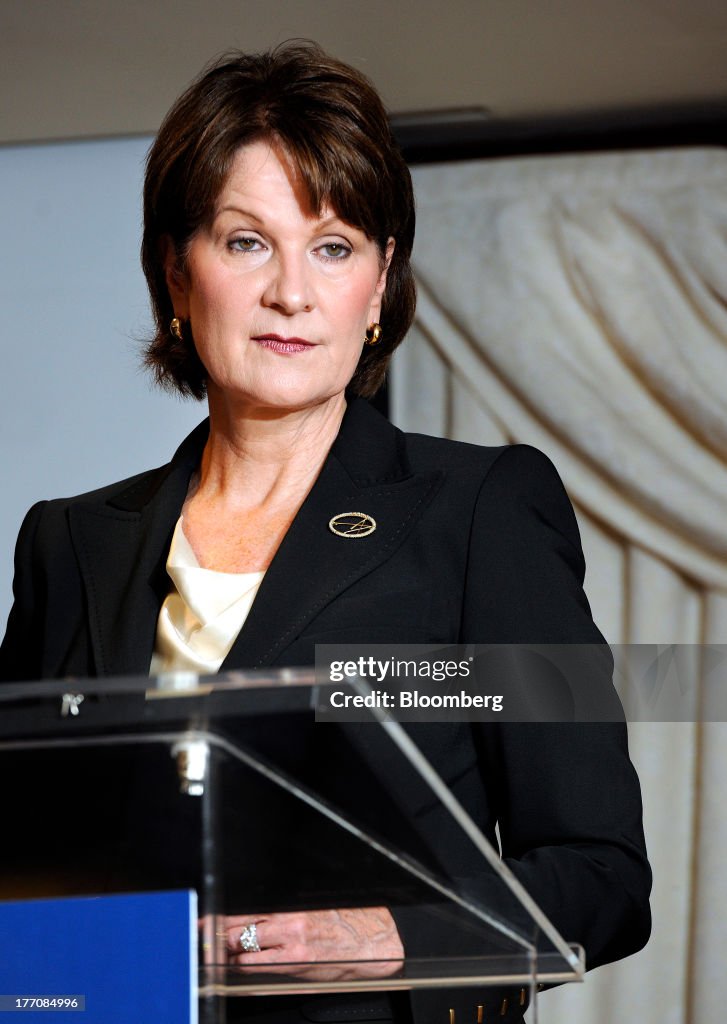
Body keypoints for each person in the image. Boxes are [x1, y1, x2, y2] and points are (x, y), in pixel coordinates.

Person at [0, 42, 650, 1024]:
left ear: (380, 284)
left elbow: (599, 875)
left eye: (334, 246)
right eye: (246, 242)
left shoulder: (481, 511)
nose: (291, 293)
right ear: (176, 273)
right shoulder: (69, 542)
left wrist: (392, 936)